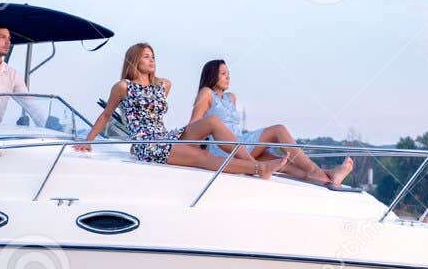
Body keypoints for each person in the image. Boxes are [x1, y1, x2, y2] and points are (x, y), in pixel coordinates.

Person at [76, 43, 285, 178]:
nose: (152, 60)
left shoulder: (164, 85)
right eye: (146, 56)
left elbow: (154, 116)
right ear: (134, 60)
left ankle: (250, 162)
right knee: (199, 157)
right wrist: (88, 141)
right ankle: (259, 169)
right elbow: (106, 115)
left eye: (153, 56)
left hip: (166, 136)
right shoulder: (123, 87)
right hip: (147, 144)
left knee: (212, 121)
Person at [189, 59, 353, 187]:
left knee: (280, 162)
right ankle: (315, 171)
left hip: (241, 142)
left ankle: (326, 176)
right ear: (212, 75)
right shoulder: (206, 93)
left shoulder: (231, 97)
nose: (228, 76)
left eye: (228, 73)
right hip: (224, 149)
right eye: (223, 73)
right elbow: (194, 126)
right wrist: (195, 156)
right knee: (278, 130)